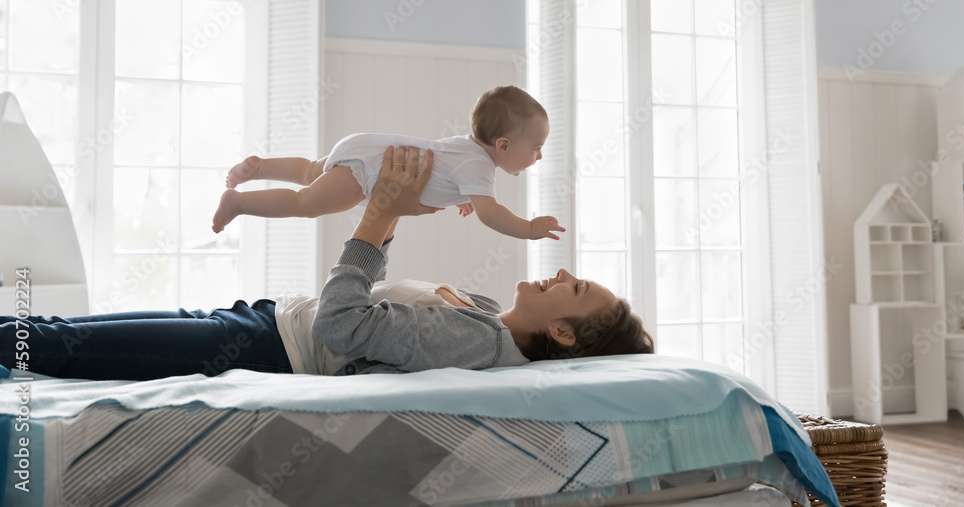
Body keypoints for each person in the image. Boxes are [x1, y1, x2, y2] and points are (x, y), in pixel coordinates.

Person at [1, 147, 653, 382]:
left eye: (576, 289)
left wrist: (379, 218)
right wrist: (393, 208)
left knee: (57, 342)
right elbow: (372, 319)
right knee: (57, 335)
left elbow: (340, 326)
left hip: (269, 345)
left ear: (564, 334)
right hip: (263, 322)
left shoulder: (477, 341)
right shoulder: (486, 318)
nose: (562, 273)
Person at [211, 85, 565, 242]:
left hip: (366, 147)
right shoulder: (480, 168)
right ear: (502, 145)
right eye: (536, 147)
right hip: (370, 172)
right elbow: (492, 215)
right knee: (306, 205)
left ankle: (260, 168)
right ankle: (239, 203)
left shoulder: (467, 150)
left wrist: (465, 197)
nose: (539, 156)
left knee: (308, 172)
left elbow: (448, 176)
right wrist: (528, 228)